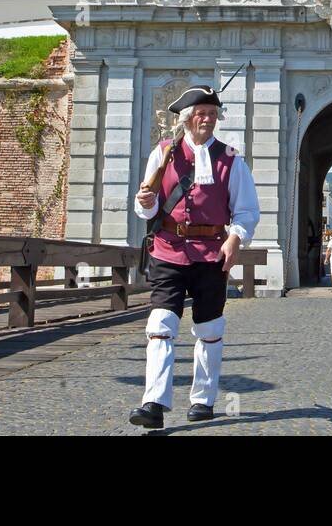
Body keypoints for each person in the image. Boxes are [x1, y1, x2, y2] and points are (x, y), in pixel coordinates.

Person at [129, 85, 259, 429]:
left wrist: (235, 238)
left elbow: (246, 210)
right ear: (187, 119)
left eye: (212, 114)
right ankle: (153, 402)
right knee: (161, 325)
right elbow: (148, 206)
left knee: (209, 328)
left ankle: (203, 399)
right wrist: (146, 204)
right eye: (201, 113)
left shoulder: (231, 158)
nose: (207, 119)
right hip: (168, 249)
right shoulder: (163, 153)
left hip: (211, 253)